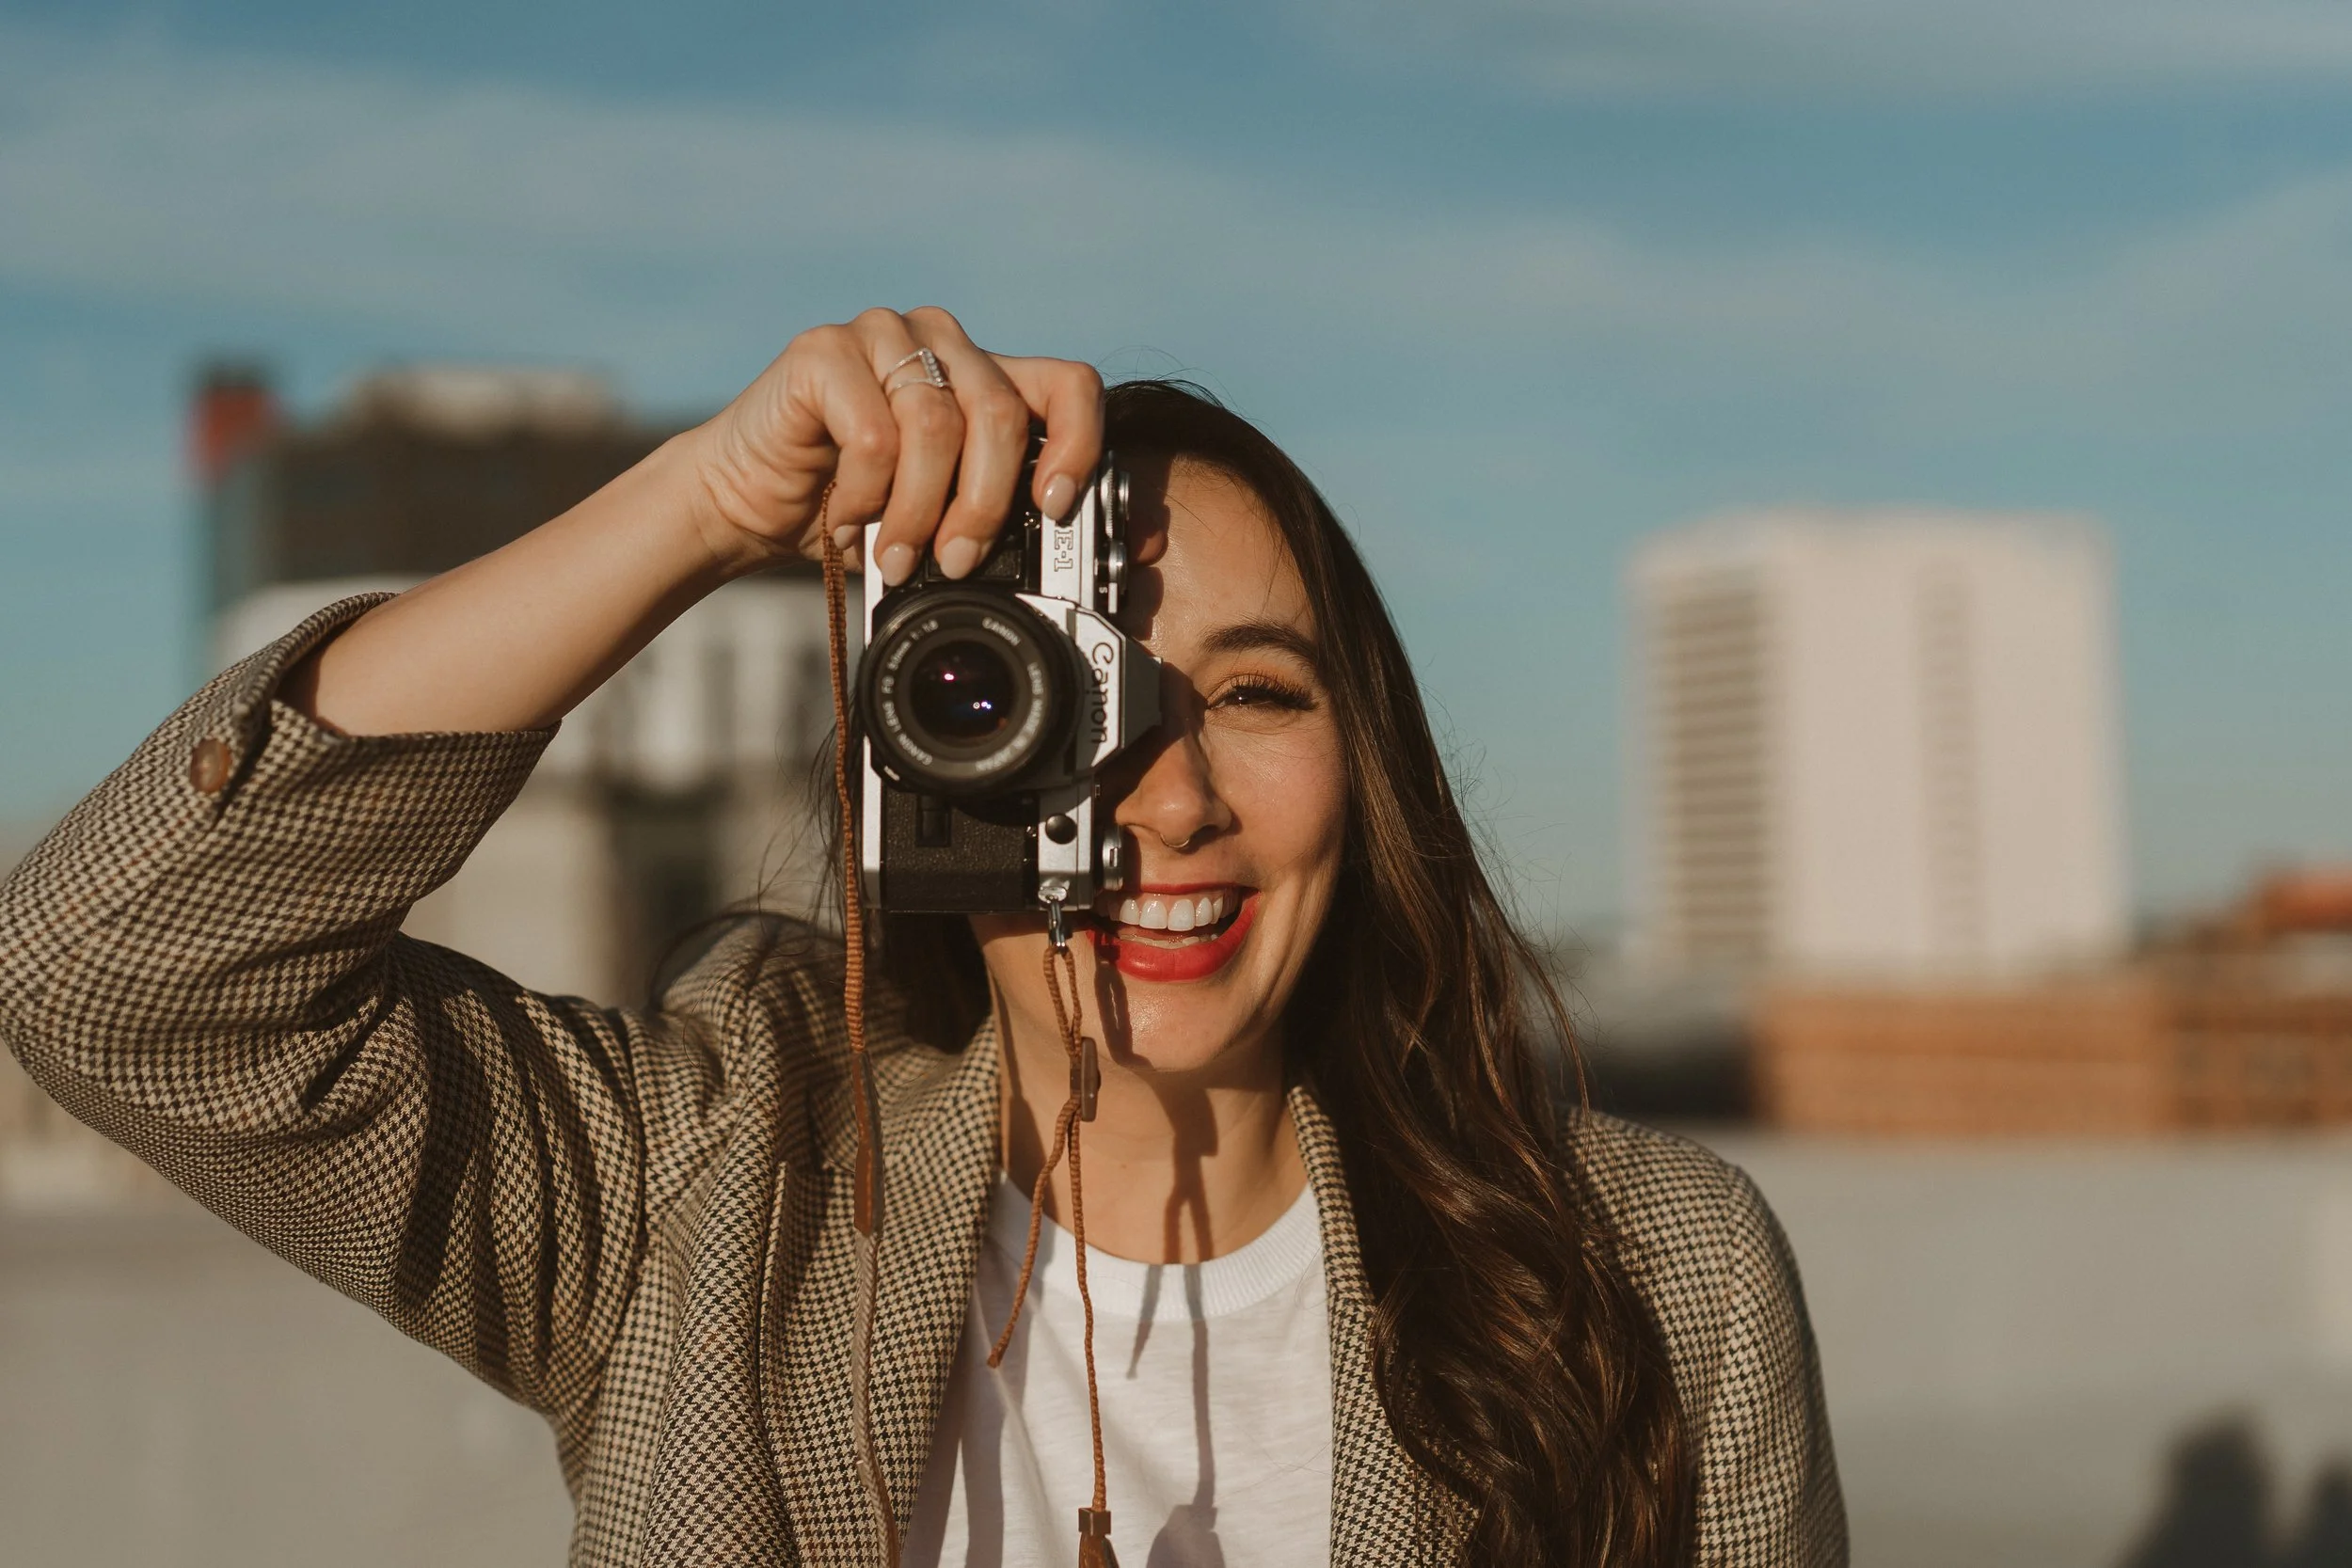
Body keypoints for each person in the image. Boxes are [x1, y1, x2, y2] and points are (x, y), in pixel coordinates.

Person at [0, 307, 1844, 1567]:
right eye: (1072, 703)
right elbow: (114, 971)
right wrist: (702, 508)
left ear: (1367, 767)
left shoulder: (1649, 1274)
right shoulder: (715, 1189)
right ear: (932, 753)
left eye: (1255, 694)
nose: (1170, 799)